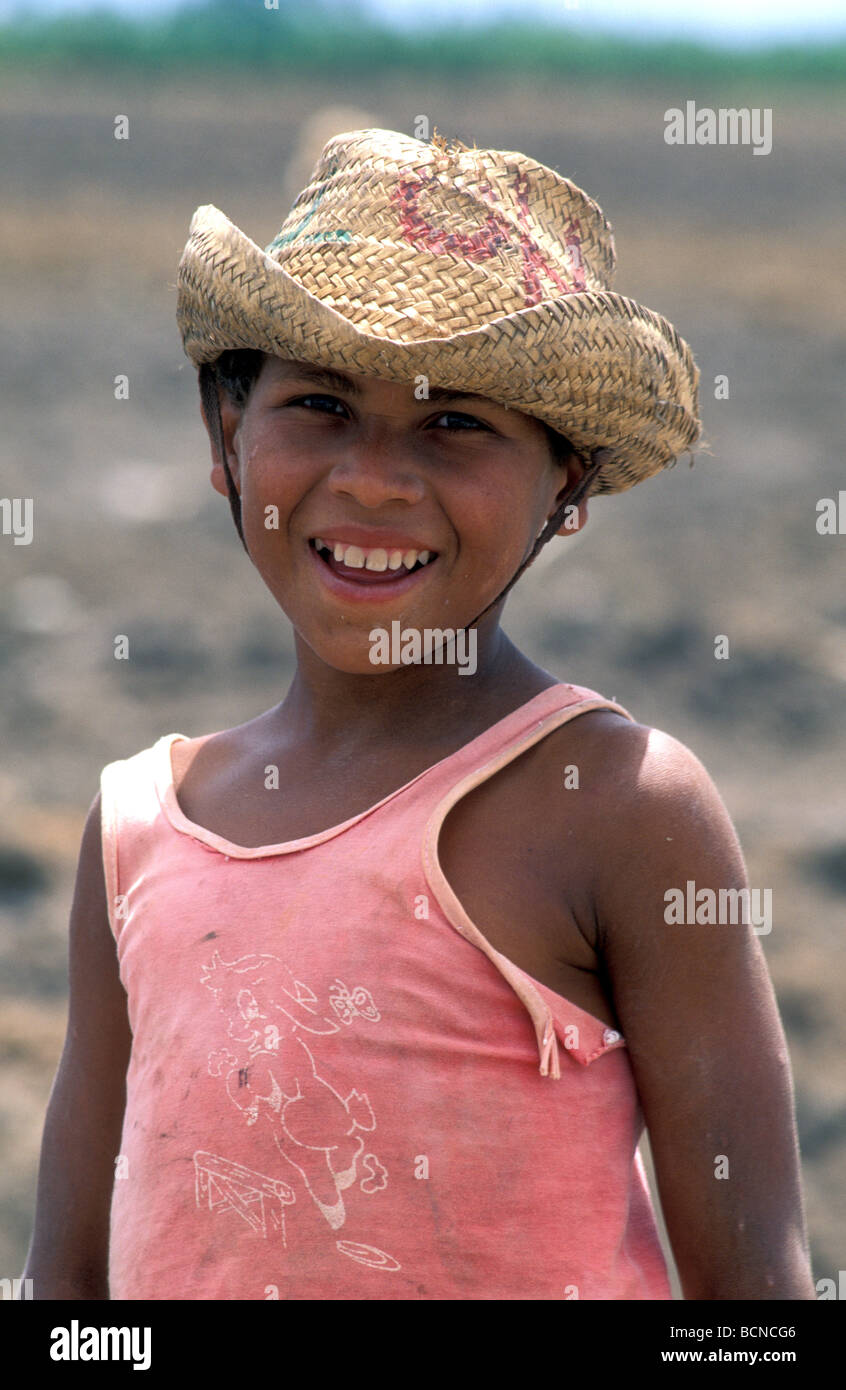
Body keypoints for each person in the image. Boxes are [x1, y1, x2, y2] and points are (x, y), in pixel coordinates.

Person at [22, 127, 814, 1300]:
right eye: (322, 405)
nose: (378, 476)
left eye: (456, 423)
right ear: (224, 434)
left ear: (569, 482)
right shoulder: (139, 832)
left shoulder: (616, 807)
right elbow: (70, 1295)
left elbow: (755, 1302)